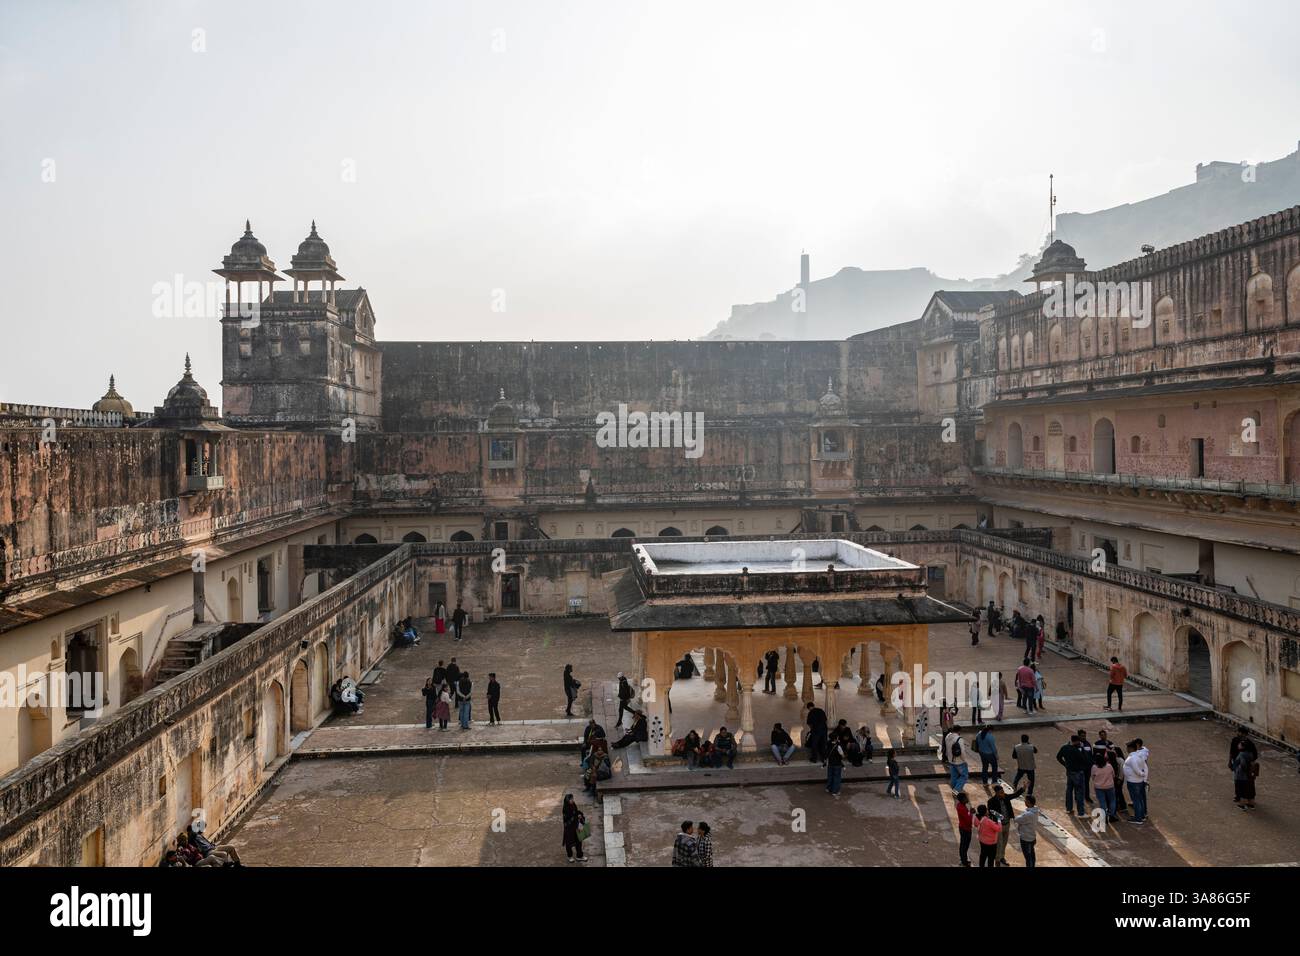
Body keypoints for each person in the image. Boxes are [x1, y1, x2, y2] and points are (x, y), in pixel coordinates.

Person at [988, 783, 1023, 866]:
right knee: (999, 843)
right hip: (999, 825)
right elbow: (990, 812)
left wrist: (1023, 788)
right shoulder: (991, 801)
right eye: (1001, 792)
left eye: (1003, 791)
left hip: (1007, 824)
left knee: (1004, 842)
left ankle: (1002, 857)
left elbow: (1015, 795)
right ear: (996, 793)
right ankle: (997, 859)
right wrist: (998, 816)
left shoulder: (1006, 797)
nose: (1003, 793)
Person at [1056, 734, 1090, 817]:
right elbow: (1085, 759)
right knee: (1079, 792)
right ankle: (1081, 813)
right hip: (1078, 772)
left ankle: (1069, 808)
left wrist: (1065, 764)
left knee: (1069, 791)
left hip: (1069, 772)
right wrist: (1082, 748)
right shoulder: (1076, 750)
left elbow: (1058, 757)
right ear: (1077, 741)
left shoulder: (1065, 747)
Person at [1122, 739, 1150, 824]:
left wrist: (1142, 774)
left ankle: (1138, 819)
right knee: (1139, 800)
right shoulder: (1139, 756)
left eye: (1127, 747)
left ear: (1131, 748)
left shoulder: (1132, 758)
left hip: (1134, 782)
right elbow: (1145, 767)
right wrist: (1143, 777)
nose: (1126, 749)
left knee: (1136, 800)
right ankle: (1141, 816)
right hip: (1138, 782)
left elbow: (1137, 770)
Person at [1014, 795, 1041, 868]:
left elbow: (1017, 819)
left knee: (1028, 857)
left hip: (1026, 838)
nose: (1024, 801)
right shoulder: (1035, 811)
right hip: (1032, 837)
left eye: (1025, 800)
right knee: (1031, 855)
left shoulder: (1028, 814)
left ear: (1028, 802)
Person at [1232, 740, 1258, 810]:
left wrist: (1237, 768)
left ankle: (1242, 805)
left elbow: (1243, 765)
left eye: (1240, 744)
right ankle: (1251, 804)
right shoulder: (1251, 754)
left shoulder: (1241, 754)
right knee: (1250, 789)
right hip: (1250, 776)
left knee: (1242, 790)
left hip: (1242, 775)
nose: (1238, 745)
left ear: (1243, 747)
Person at [1092, 751, 1118, 823]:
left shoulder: (1094, 767)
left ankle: (1104, 817)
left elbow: (1093, 777)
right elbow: (1113, 775)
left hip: (1099, 787)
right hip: (1110, 786)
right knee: (1112, 801)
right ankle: (1111, 815)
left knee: (1102, 802)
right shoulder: (1109, 766)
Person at [562, 794, 588, 862]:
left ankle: (579, 856)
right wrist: (576, 816)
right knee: (569, 843)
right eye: (571, 799)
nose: (572, 800)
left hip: (576, 827)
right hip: (569, 829)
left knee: (579, 841)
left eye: (573, 799)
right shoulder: (565, 809)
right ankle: (570, 856)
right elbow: (568, 819)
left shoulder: (573, 805)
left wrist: (579, 815)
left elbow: (576, 812)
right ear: (567, 801)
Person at [944, 724, 968, 794]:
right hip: (959, 761)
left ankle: (954, 788)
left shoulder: (947, 737)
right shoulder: (959, 739)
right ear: (959, 731)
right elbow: (962, 752)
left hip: (951, 760)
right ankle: (956, 789)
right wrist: (964, 760)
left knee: (954, 776)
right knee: (964, 776)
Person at [955, 792, 973, 866]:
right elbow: (968, 819)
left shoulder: (961, 805)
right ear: (962, 800)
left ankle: (964, 860)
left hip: (964, 828)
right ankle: (964, 861)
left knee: (964, 845)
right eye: (966, 798)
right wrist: (971, 813)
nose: (967, 799)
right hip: (965, 829)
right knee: (964, 846)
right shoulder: (962, 808)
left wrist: (969, 812)